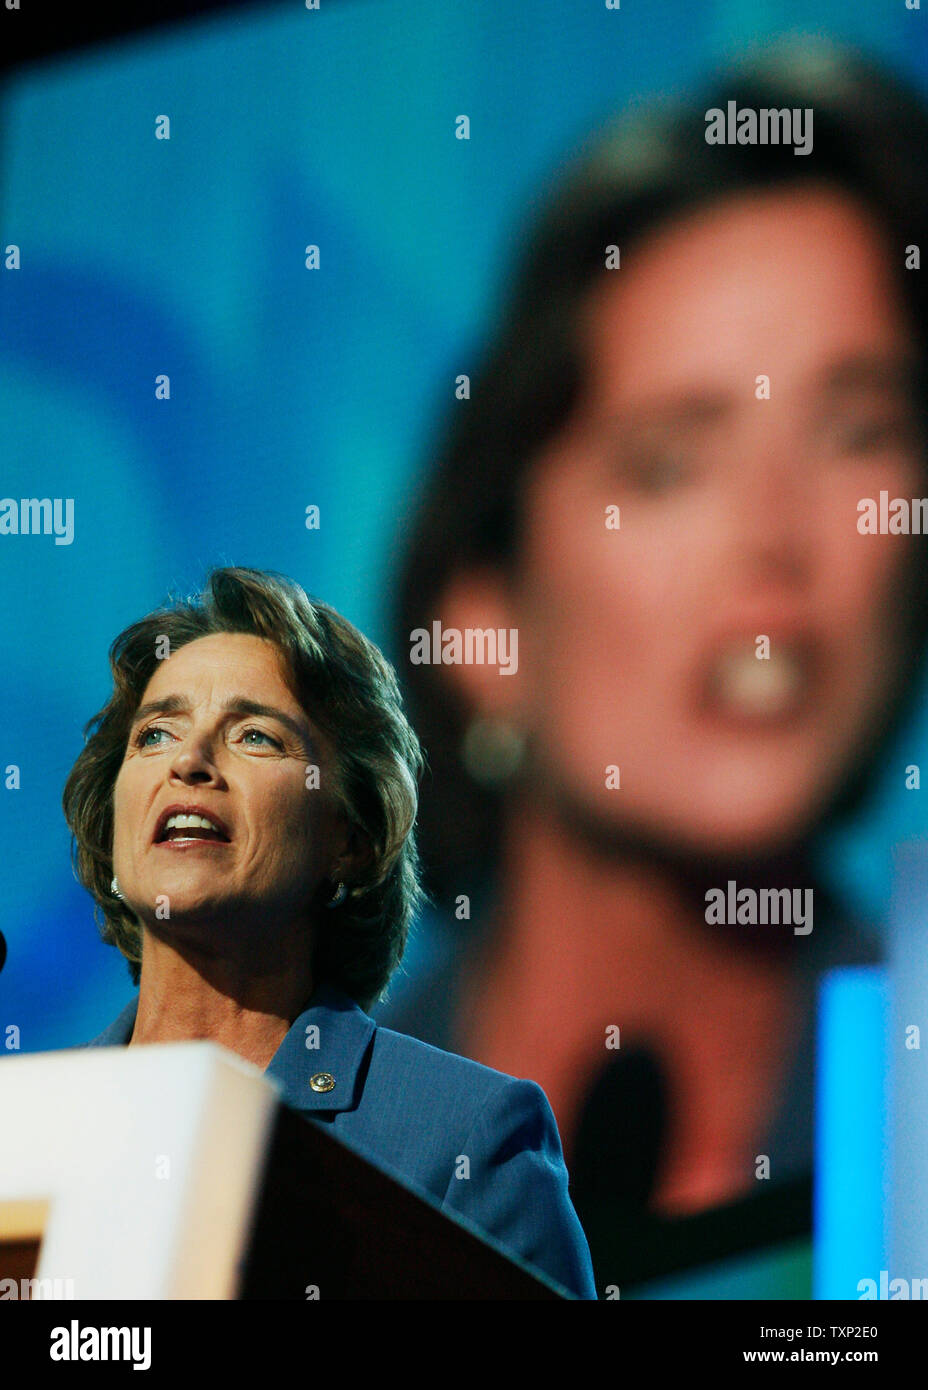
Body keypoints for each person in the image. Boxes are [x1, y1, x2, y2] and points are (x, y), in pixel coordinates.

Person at [375, 38, 928, 1231]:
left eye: (855, 432)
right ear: (484, 623)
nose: (776, 538)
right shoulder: (290, 1174)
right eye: (672, 462)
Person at [64, 565, 596, 1300]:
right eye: (155, 733)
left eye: (255, 735)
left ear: (348, 837)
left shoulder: (465, 1140)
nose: (189, 763)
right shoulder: (27, 1135)